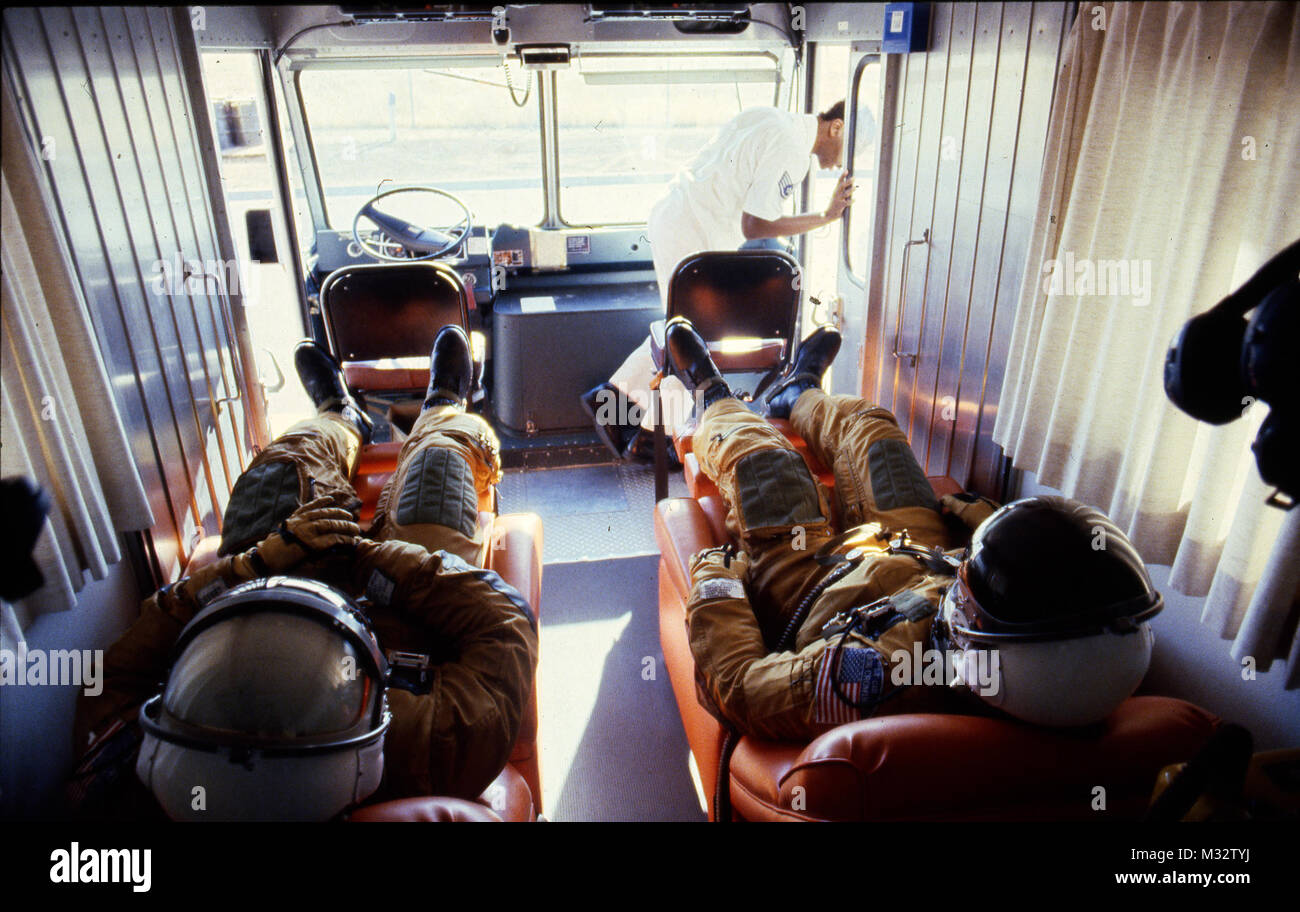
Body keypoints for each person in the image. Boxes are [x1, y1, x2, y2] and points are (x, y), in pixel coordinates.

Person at [71, 325, 538, 819]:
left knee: (279, 468)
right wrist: (363, 557)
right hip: (400, 612)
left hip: (260, 586)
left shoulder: (136, 769)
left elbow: (110, 672)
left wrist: (258, 563)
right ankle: (444, 406)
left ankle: (339, 417)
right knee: (439, 468)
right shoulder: (429, 748)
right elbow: (504, 621)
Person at [660, 317, 1163, 741]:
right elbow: (1038, 566)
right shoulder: (1075, 629)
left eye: (970, 595)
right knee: (875, 431)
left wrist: (715, 577)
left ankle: (712, 395)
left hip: (808, 583)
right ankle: (798, 392)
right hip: (921, 550)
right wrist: (980, 520)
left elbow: (740, 687)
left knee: (764, 460)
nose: (966, 590)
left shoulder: (872, 676)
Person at [583, 102, 856, 460]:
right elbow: (753, 224)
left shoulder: (771, 116)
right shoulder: (794, 150)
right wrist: (824, 217)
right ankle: (651, 438)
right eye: (847, 149)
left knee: (680, 330)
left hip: (675, 214)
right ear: (835, 127)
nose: (841, 164)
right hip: (692, 229)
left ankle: (609, 402)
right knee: (692, 337)